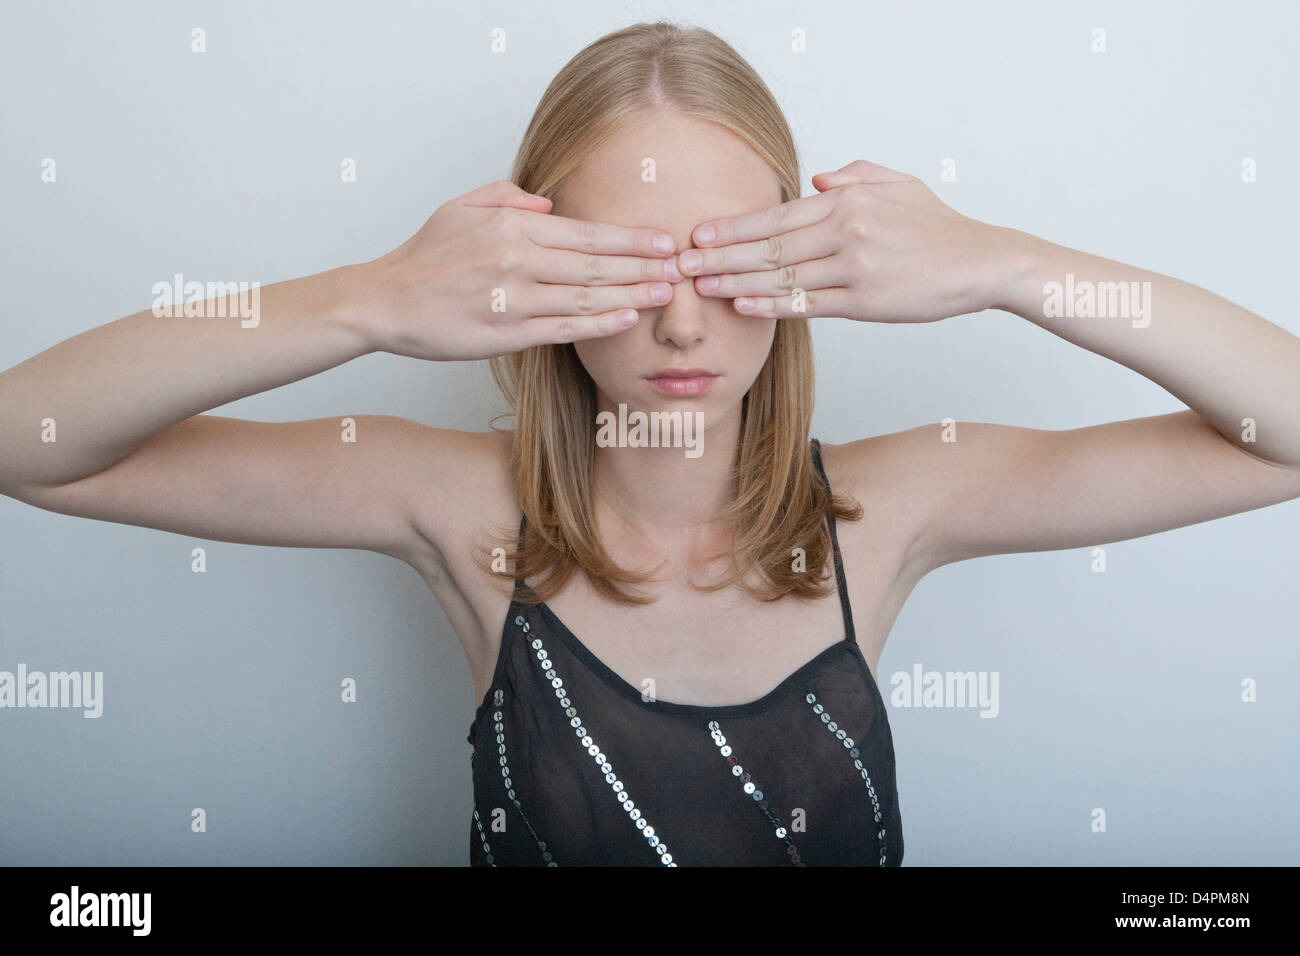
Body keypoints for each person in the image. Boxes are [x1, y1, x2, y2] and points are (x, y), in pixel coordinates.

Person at [2, 22, 1297, 866]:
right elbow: (30, 440)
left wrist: (1008, 265)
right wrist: (369, 297)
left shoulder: (894, 507)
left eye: (732, 258)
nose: (683, 316)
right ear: (531, 261)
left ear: (805, 260)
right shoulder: (456, 507)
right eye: (620, 262)